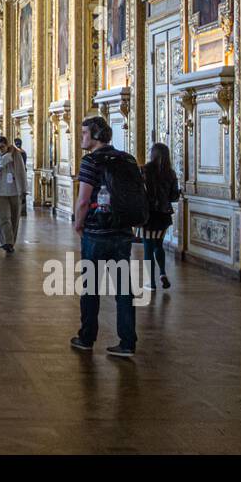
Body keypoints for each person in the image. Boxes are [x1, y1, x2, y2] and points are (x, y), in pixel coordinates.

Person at [69, 115, 145, 358]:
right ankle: (127, 342)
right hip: (122, 231)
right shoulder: (127, 159)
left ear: (96, 136)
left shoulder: (91, 162)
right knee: (124, 289)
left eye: (83, 134)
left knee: (90, 287)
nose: (81, 138)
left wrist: (79, 225)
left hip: (96, 232)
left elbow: (83, 200)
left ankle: (87, 337)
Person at [141, 142, 180, 289]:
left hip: (149, 216)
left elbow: (139, 192)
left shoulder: (145, 171)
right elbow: (174, 197)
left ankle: (150, 282)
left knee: (147, 248)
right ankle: (162, 273)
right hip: (164, 216)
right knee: (158, 245)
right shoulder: (171, 173)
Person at [0, 136, 27, 254]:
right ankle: (6, 242)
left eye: (2, 147)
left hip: (15, 191)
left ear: (7, 145)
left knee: (15, 218)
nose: (0, 150)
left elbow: (21, 172)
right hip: (1, 191)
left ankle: (11, 242)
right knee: (4, 217)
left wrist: (23, 190)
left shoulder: (17, 154)